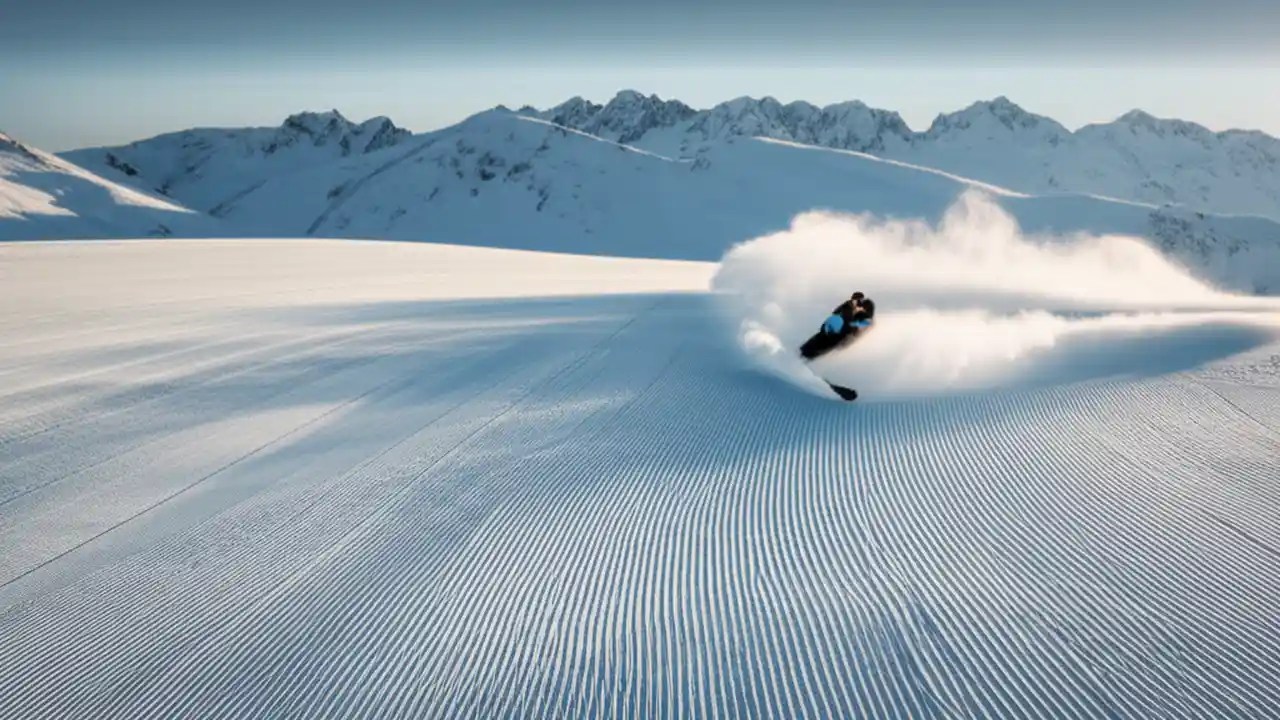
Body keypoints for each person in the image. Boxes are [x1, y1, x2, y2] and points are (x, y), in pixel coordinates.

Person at [801, 291, 876, 360]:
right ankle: (804, 355)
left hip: (838, 335)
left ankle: (806, 355)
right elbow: (838, 319)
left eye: (860, 301)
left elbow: (861, 324)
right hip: (834, 334)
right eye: (856, 301)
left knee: (820, 346)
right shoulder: (846, 308)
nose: (858, 303)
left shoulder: (862, 309)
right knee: (815, 346)